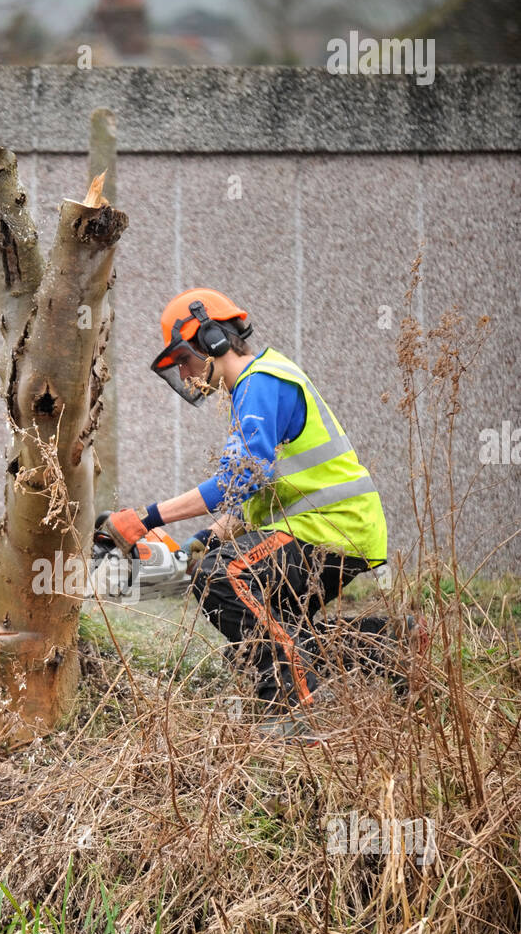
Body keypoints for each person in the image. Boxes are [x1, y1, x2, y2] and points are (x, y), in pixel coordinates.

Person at [101, 288, 415, 738]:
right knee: (265, 627)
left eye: (184, 359)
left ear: (210, 339)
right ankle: (393, 643)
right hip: (335, 529)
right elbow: (256, 496)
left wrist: (146, 518)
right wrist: (203, 540)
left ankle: (291, 706)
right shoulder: (253, 388)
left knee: (220, 576)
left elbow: (235, 480)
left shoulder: (261, 383)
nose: (186, 374)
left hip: (331, 528)